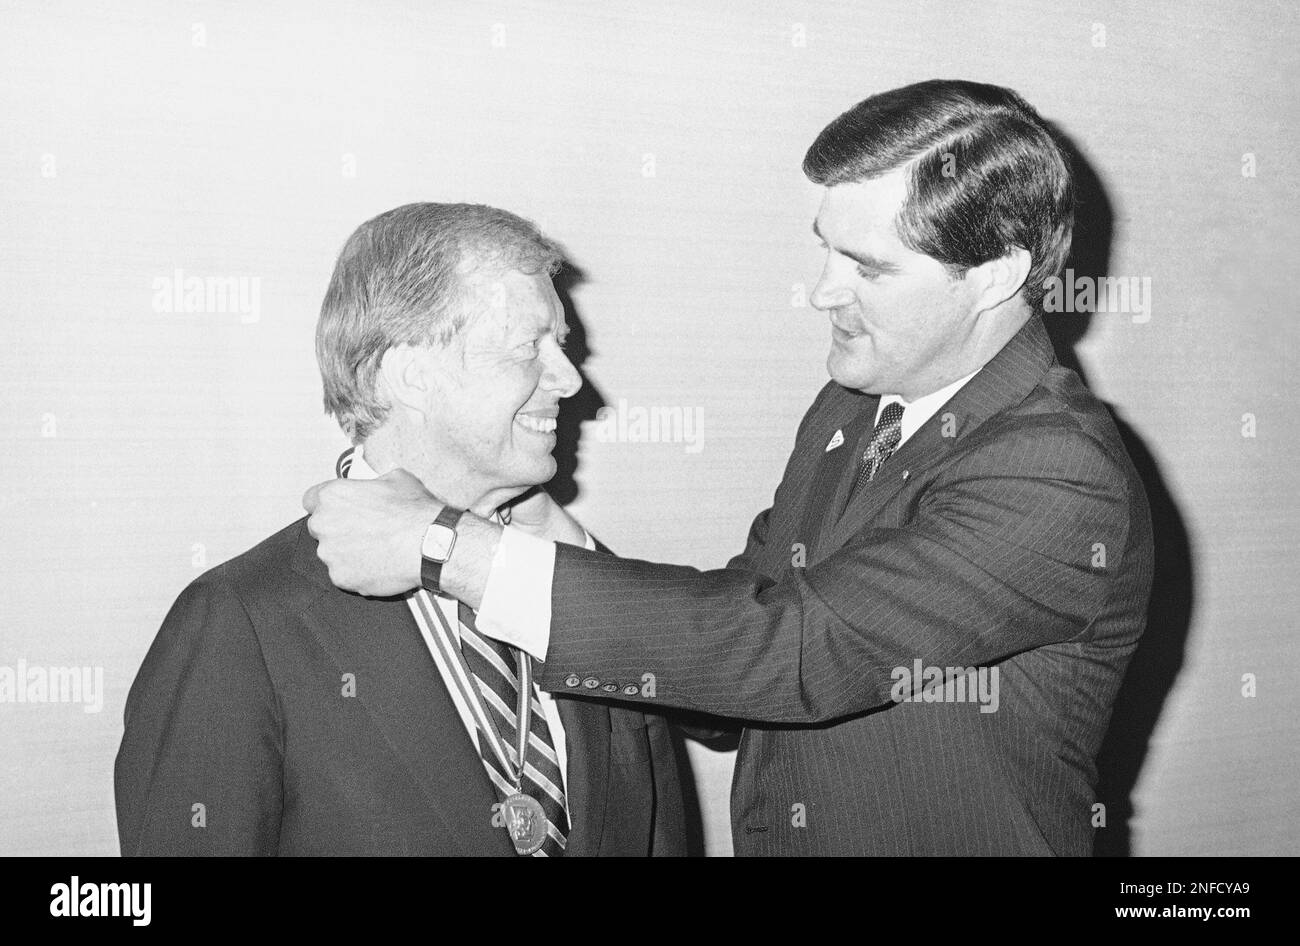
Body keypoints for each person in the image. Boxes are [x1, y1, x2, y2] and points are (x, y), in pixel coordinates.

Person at [304, 81, 1155, 856]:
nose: (823, 290)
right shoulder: (854, 408)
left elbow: (795, 652)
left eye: (869, 267)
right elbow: (749, 626)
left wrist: (452, 550)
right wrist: (565, 548)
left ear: (996, 274)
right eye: (826, 249)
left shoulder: (1056, 471)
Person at [116, 203, 687, 856]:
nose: (569, 378)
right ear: (412, 374)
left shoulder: (586, 591)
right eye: (530, 347)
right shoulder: (242, 623)